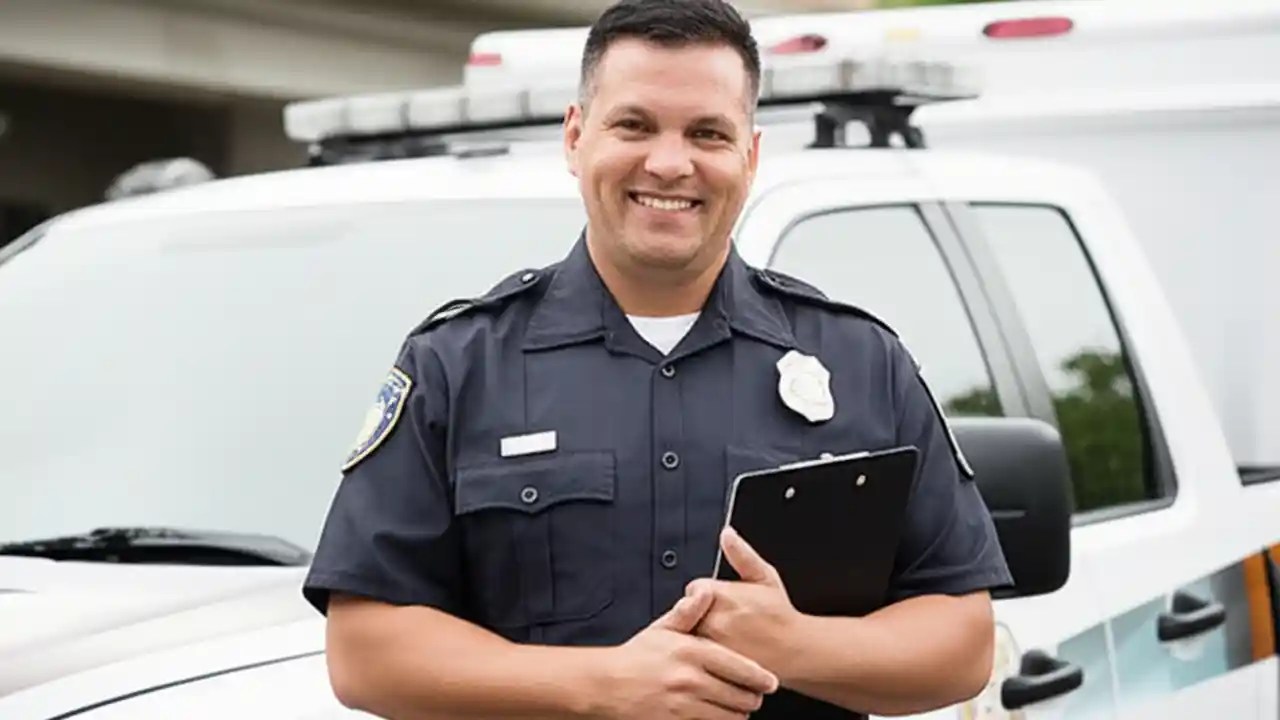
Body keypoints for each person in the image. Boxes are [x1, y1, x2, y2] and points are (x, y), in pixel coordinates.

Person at [301, 0, 1013, 718]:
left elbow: (960, 640)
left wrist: (793, 645)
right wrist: (602, 687)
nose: (670, 164)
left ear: (750, 155)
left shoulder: (861, 363)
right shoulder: (458, 366)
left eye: (707, 132)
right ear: (576, 137)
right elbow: (365, 651)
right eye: (634, 125)